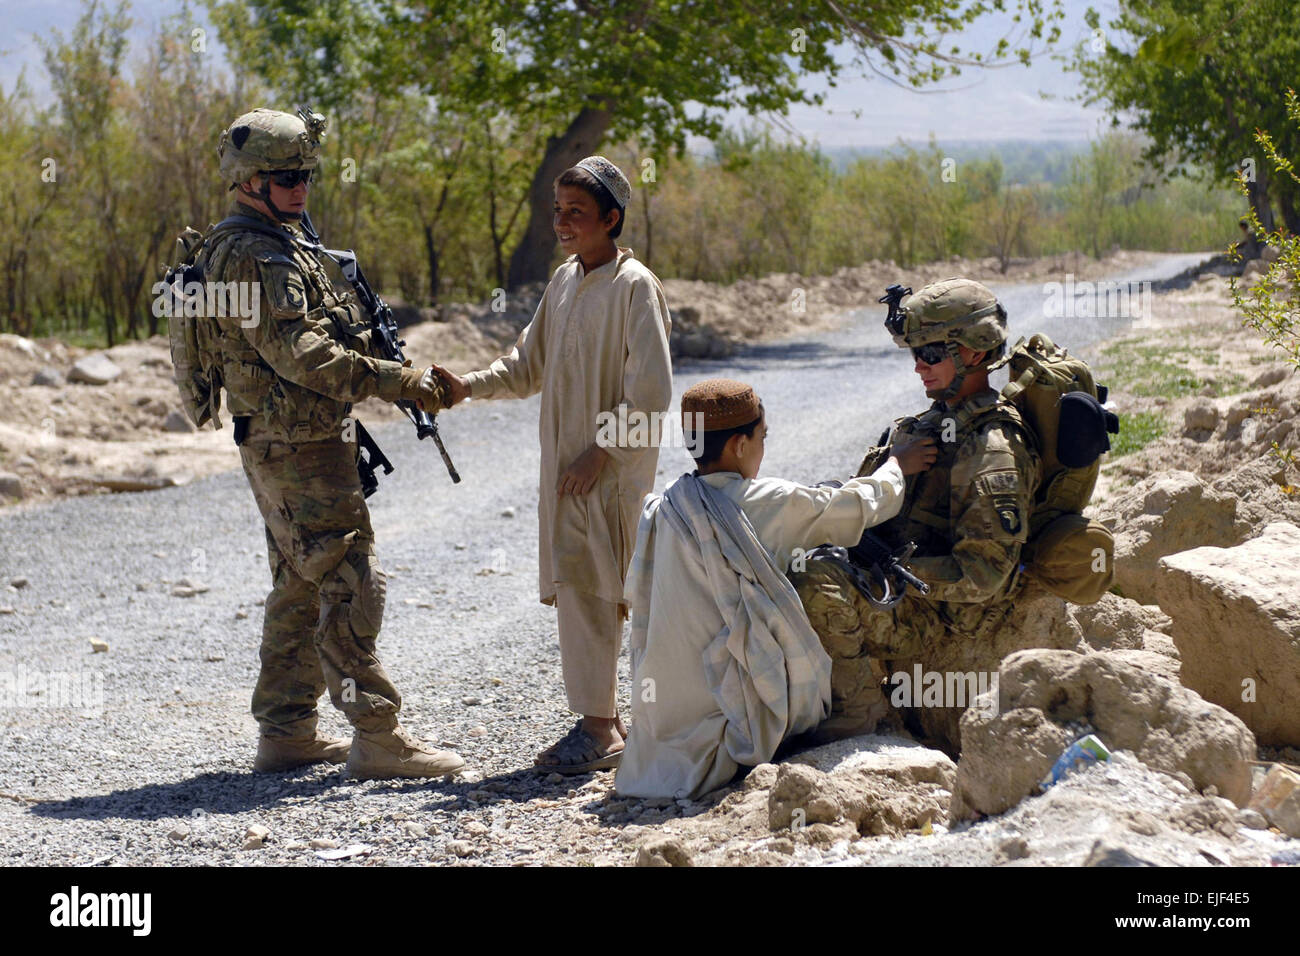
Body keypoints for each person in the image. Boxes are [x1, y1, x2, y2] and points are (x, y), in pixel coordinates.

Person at [203, 107, 464, 778]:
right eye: (285, 177)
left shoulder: (279, 241)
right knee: (350, 579)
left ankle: (287, 732)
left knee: (298, 581)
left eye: (306, 176)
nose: (299, 188)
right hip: (297, 444)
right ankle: (377, 736)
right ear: (247, 180)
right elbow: (302, 355)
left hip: (293, 437)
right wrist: (398, 380)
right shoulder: (256, 253)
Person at [435, 156, 673, 773]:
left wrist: (601, 452)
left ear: (611, 218)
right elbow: (526, 365)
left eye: (577, 212)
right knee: (579, 588)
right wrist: (466, 387)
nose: (563, 222)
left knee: (596, 589)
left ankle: (601, 730)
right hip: (568, 472)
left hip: (608, 472)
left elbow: (651, 393)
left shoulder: (634, 287)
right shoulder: (565, 281)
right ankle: (604, 722)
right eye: (558, 211)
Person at [614, 379, 935, 799]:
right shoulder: (767, 500)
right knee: (820, 571)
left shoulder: (667, 506)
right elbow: (861, 506)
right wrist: (896, 464)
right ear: (738, 445)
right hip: (728, 721)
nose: (764, 448)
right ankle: (850, 716)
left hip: (660, 728)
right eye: (761, 437)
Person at [790, 277, 1041, 755]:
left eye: (930, 354)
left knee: (817, 578)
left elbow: (983, 576)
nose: (918, 368)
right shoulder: (932, 425)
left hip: (941, 614)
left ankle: (861, 710)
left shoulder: (989, 450)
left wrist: (891, 573)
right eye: (915, 355)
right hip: (910, 583)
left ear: (971, 353)